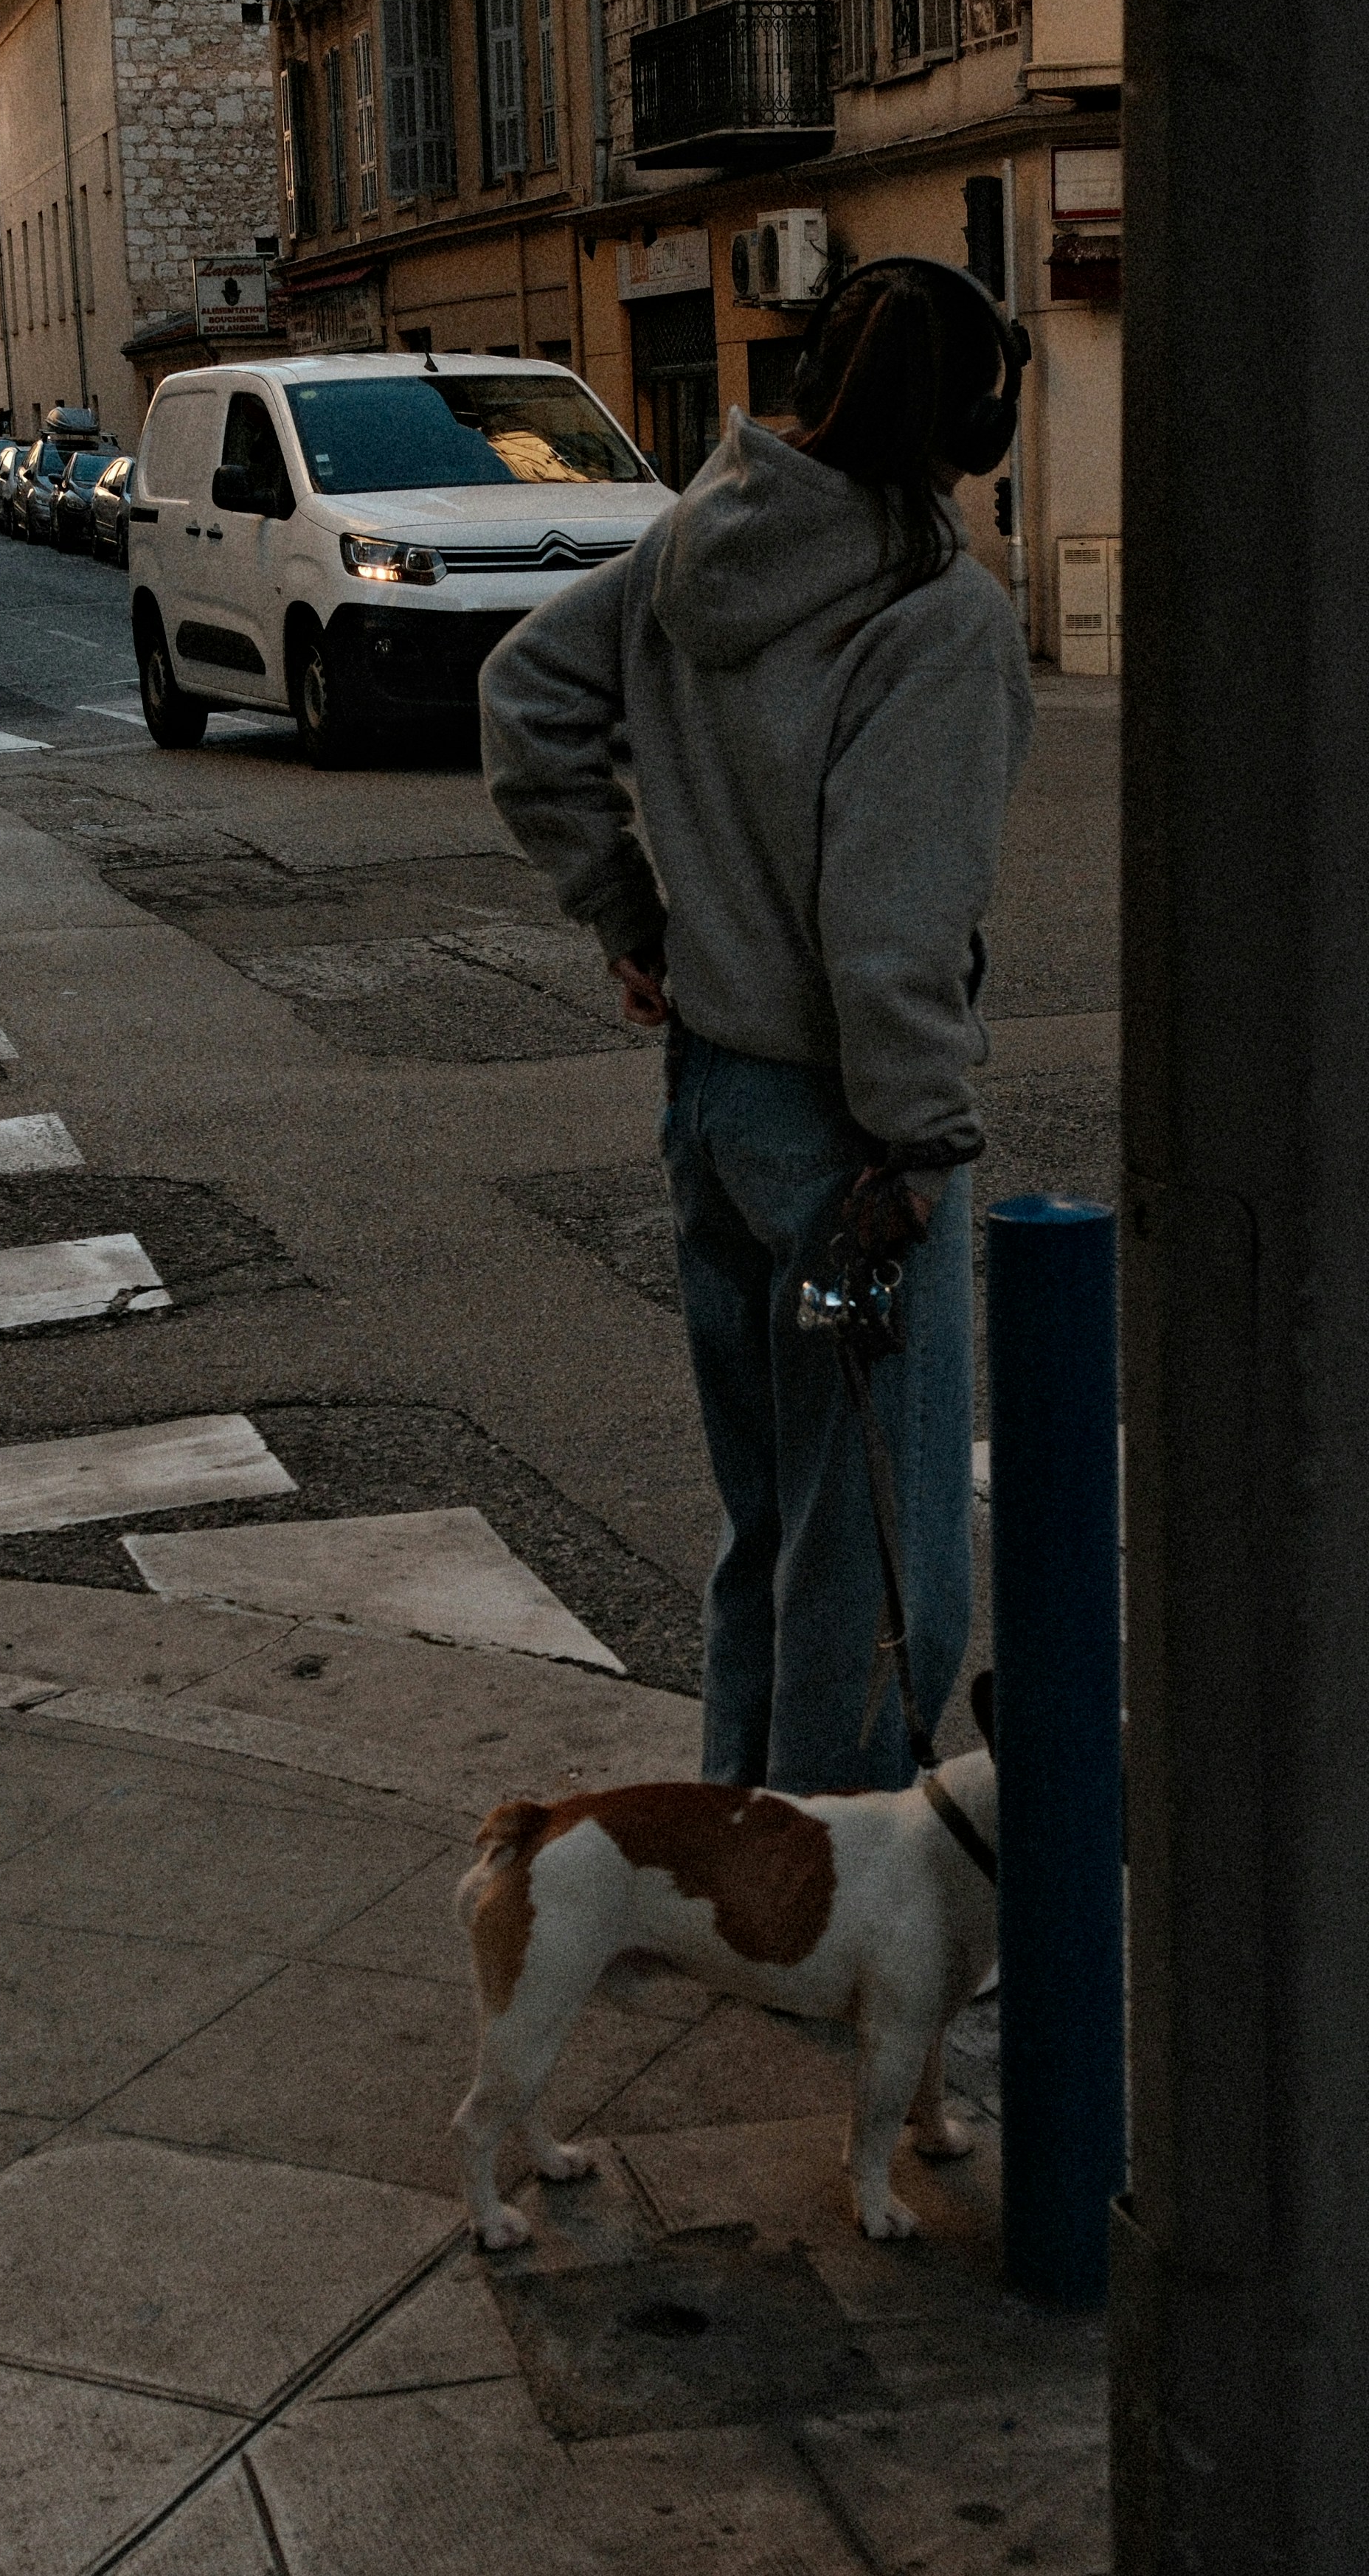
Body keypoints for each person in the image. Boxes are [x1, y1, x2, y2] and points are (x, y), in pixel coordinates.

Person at [483, 260, 1036, 1795]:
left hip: (714, 1102)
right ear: (973, 426)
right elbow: (891, 928)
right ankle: (836, 1895)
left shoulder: (692, 546)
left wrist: (633, 917)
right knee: (876, 1549)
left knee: (776, 1518)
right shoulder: (936, 615)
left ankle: (743, 1845)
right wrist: (922, 1143)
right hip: (850, 1140)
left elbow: (524, 697)